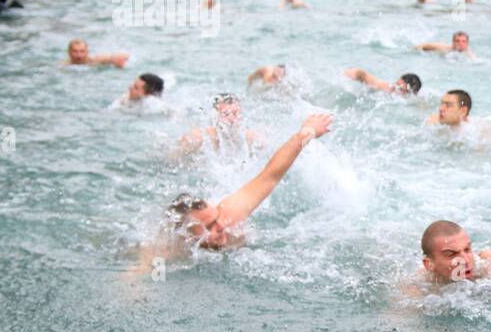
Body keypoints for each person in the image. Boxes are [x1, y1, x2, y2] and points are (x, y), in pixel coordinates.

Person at [164, 112, 333, 252]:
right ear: (186, 235)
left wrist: (305, 133)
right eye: (209, 227)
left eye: (217, 219)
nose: (221, 227)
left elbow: (271, 175)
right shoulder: (173, 251)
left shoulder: (229, 215)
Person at [178, 93, 264, 154]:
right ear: (215, 117)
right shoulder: (198, 138)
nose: (231, 119)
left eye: (235, 114)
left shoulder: (252, 139)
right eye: (225, 114)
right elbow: (173, 160)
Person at [345, 68, 422, 96]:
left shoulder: (411, 101)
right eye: (396, 85)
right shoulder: (384, 86)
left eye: (401, 90)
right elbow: (361, 72)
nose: (395, 88)